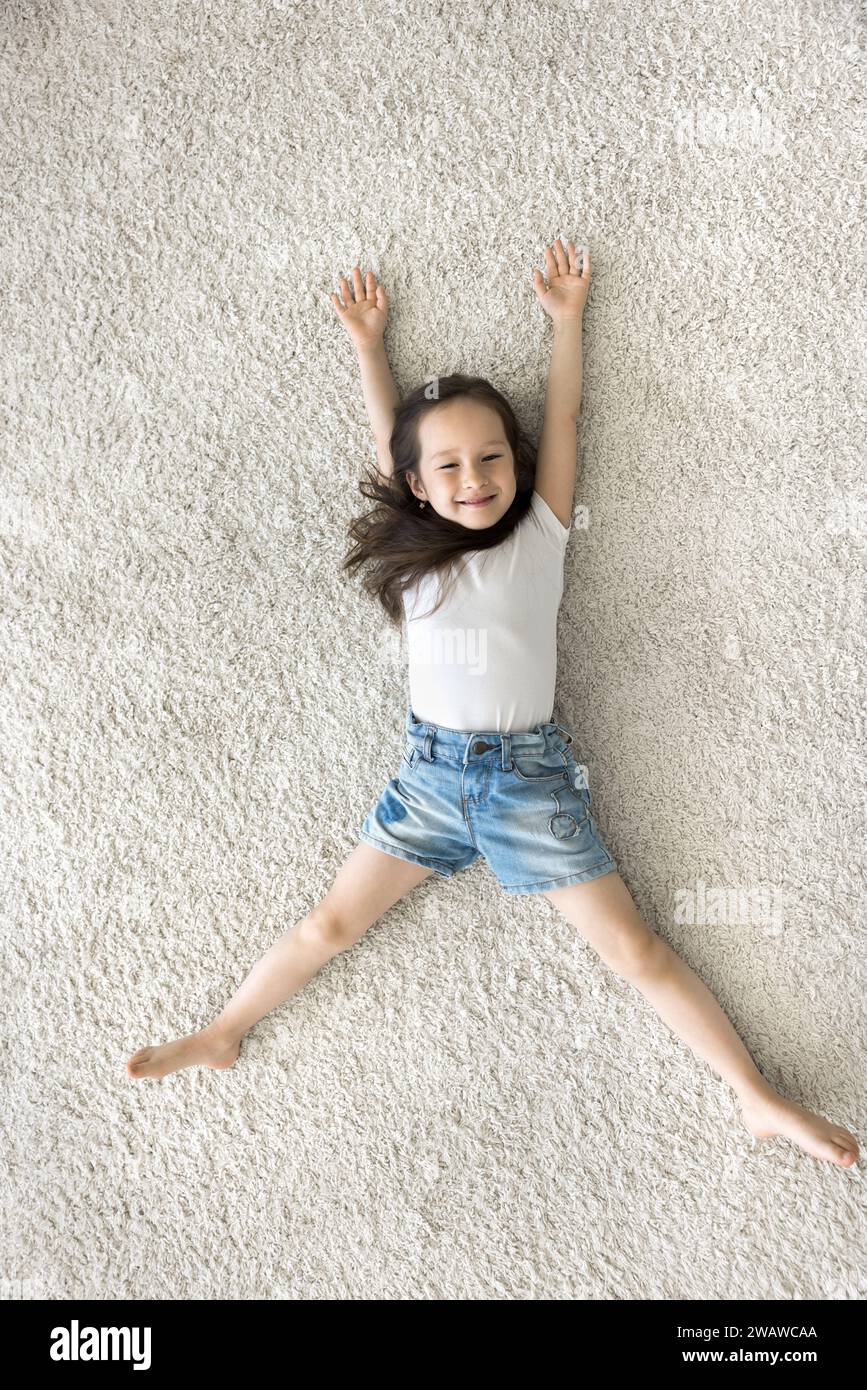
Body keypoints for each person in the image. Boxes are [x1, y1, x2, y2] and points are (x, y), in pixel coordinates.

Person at [125, 241, 859, 1171]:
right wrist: (368, 346)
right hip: (429, 778)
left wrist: (565, 322)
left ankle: (752, 1095)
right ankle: (223, 1029)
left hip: (527, 781)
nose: (473, 479)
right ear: (417, 486)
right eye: (449, 469)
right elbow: (393, 438)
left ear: (514, 466)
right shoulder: (416, 550)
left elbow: (564, 414)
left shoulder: (541, 534)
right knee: (328, 926)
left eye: (489, 458)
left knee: (633, 950)